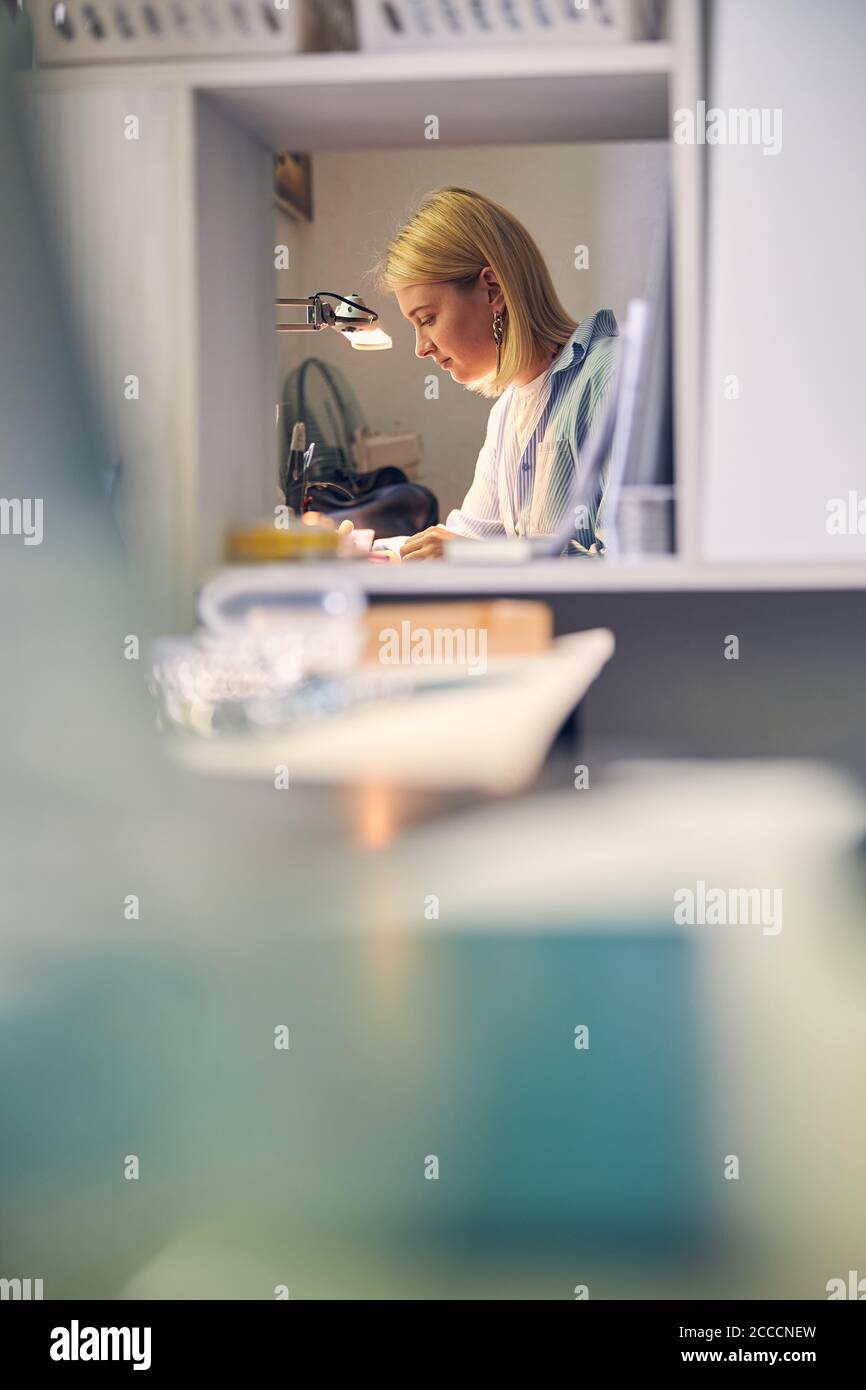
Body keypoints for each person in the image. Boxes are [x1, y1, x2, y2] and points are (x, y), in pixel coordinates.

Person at [371, 186, 620, 561]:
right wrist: (365, 553)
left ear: (492, 291)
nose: (421, 348)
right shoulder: (508, 413)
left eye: (427, 320)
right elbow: (467, 536)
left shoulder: (608, 380)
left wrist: (472, 556)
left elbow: (630, 570)